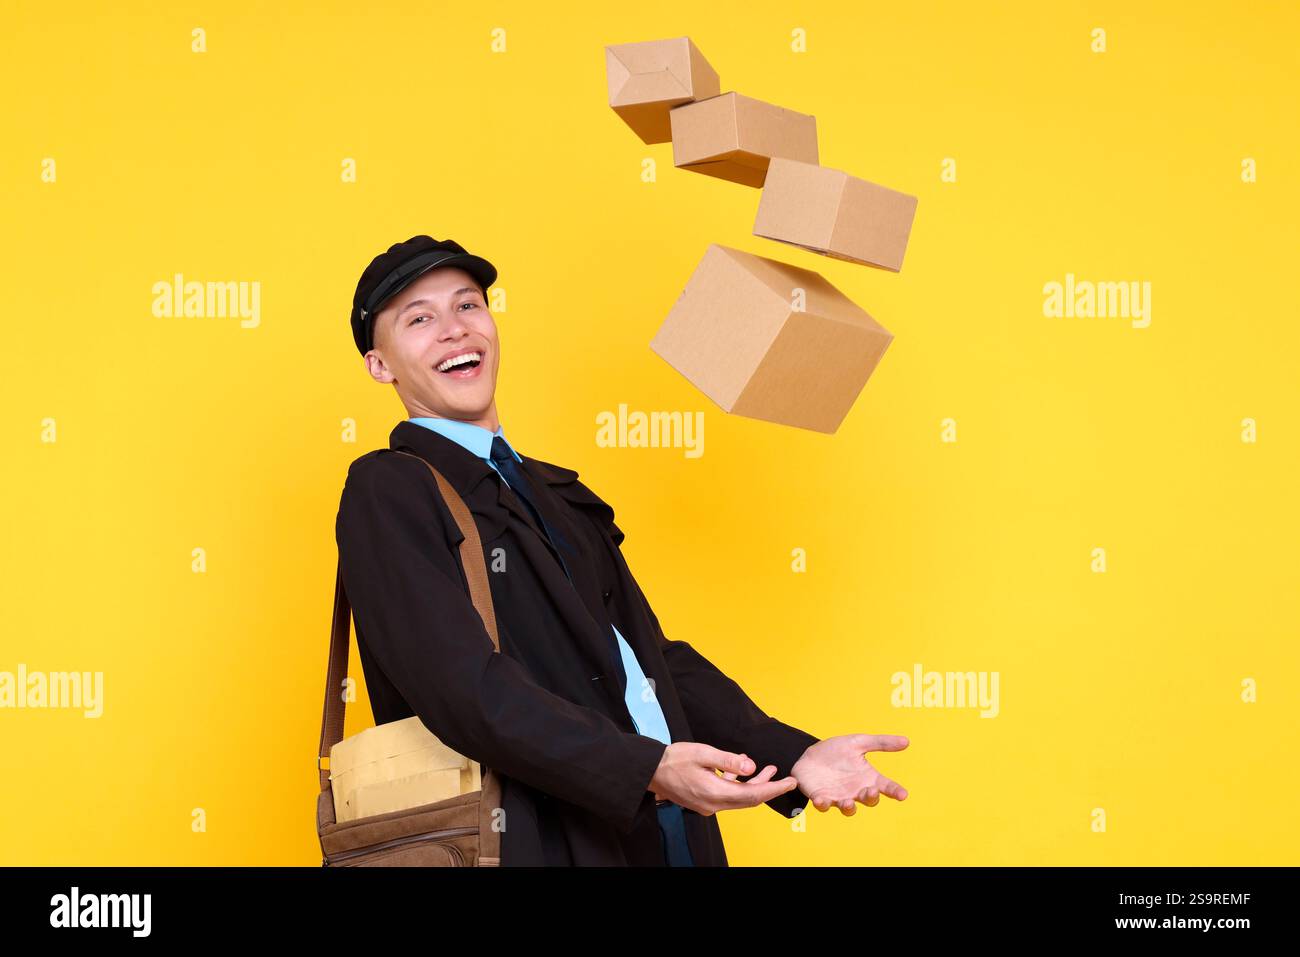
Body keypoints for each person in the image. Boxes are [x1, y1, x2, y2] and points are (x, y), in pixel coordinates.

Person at [335, 235, 910, 866]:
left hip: (662, 831)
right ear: (380, 366)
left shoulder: (556, 491)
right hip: (534, 841)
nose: (453, 330)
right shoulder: (389, 487)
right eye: (419, 319)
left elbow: (647, 660)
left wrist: (794, 754)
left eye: (468, 306)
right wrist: (644, 767)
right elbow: (462, 688)